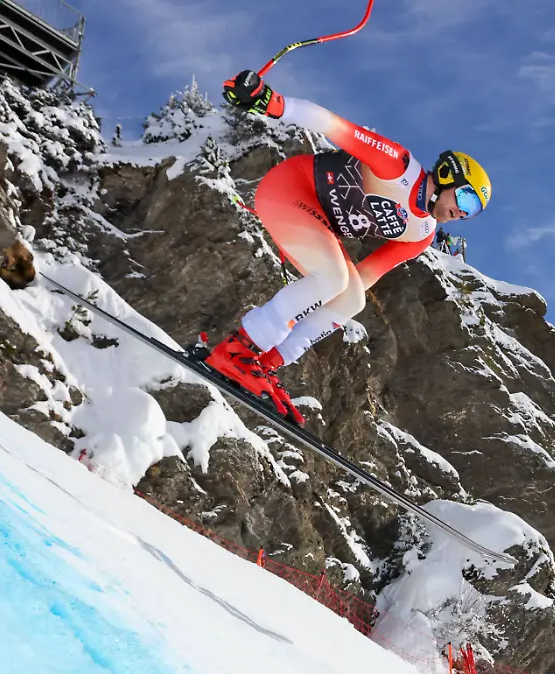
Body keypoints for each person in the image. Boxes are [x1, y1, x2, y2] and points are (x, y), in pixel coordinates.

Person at [203, 69, 493, 425]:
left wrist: (323, 303)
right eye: (465, 197)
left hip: (316, 222)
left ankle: (266, 362)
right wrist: (271, 102)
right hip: (290, 189)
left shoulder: (422, 233)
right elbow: (331, 125)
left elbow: (367, 275)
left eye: (472, 211)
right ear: (448, 175)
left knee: (351, 296)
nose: (461, 212)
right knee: (332, 277)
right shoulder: (398, 167)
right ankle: (239, 349)